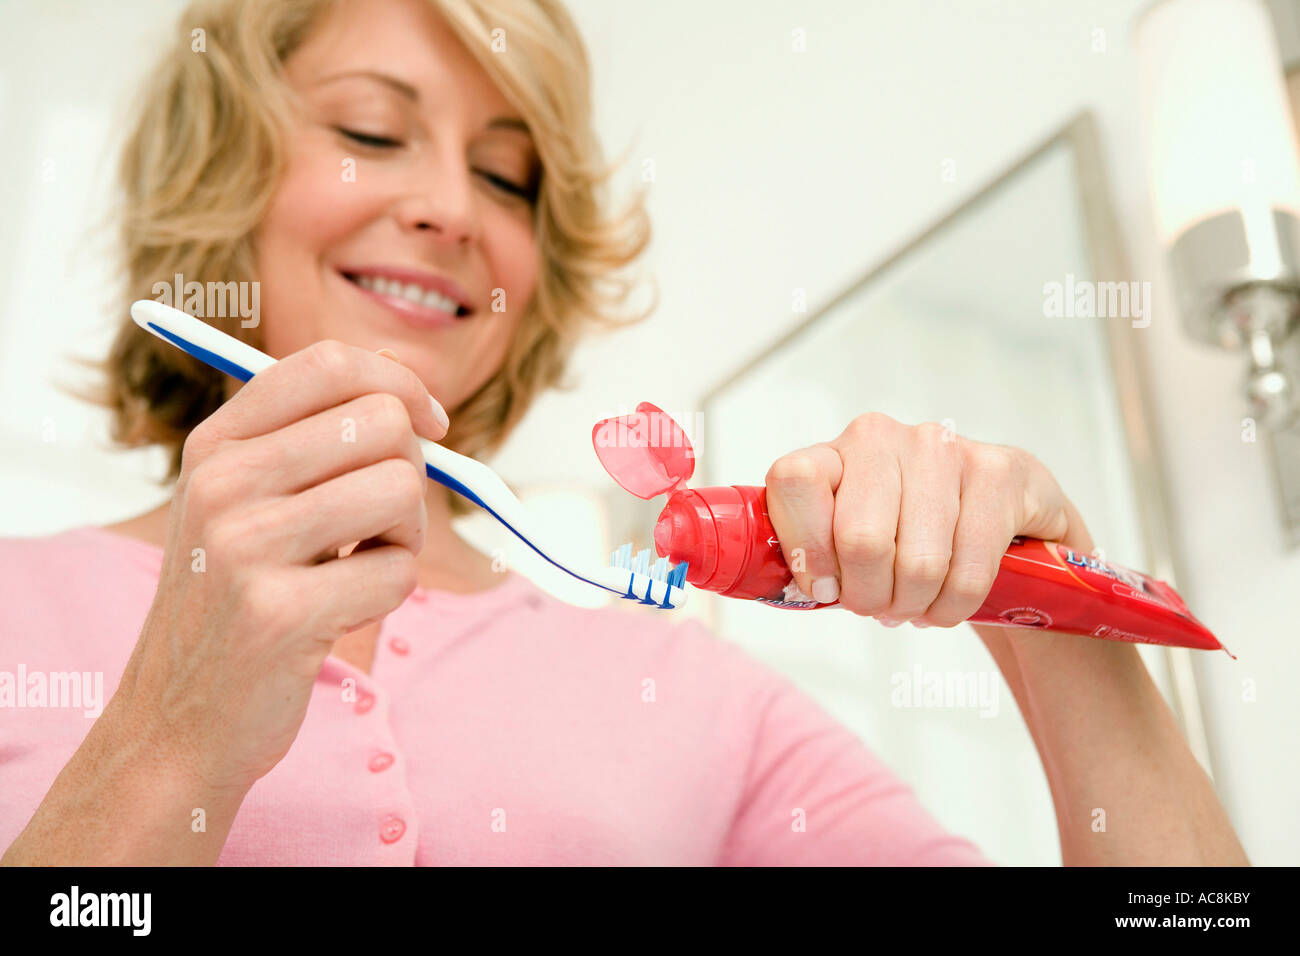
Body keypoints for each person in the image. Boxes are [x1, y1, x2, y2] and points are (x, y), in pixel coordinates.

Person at [0, 0, 1247, 865]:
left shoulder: (698, 698)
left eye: (508, 175)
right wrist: (168, 741)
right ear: (220, 180)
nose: (446, 206)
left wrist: (1048, 605)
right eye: (372, 131)